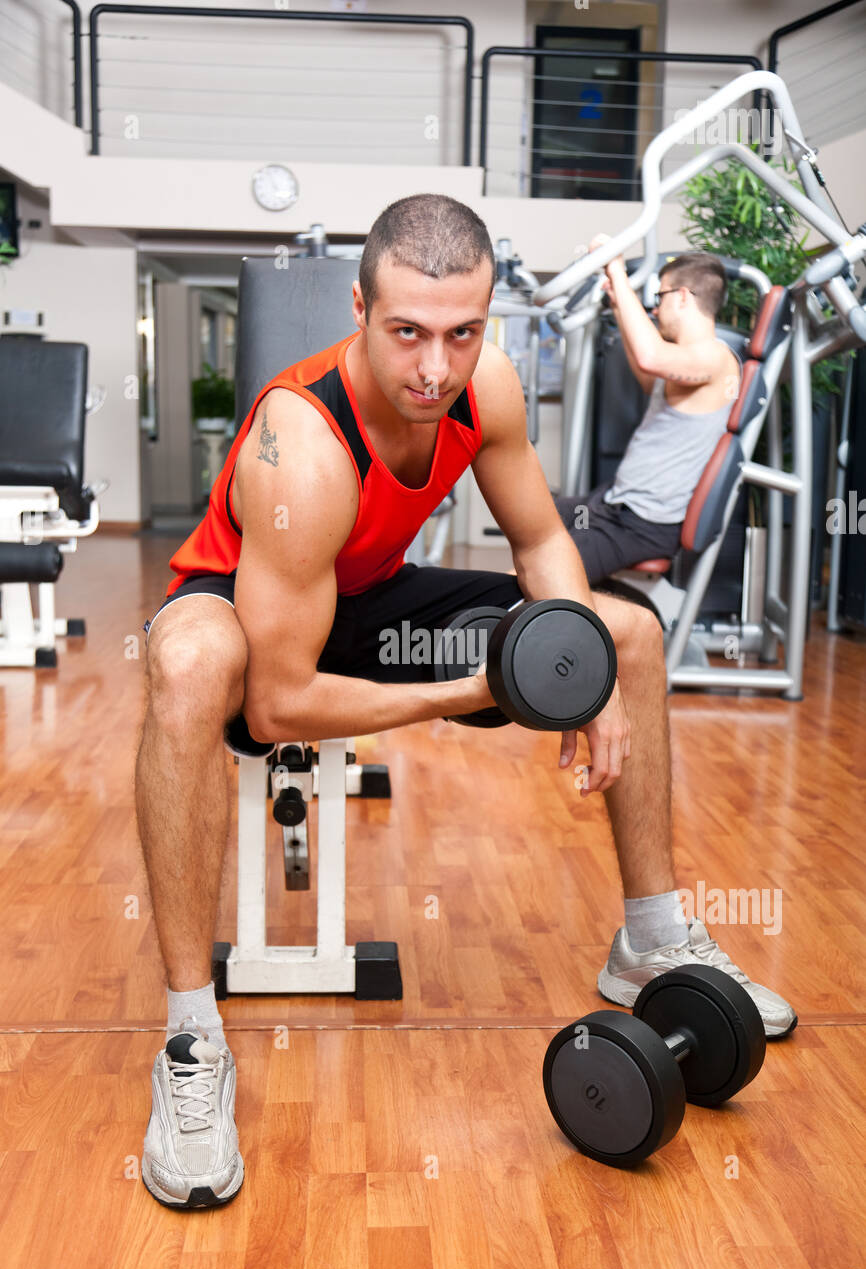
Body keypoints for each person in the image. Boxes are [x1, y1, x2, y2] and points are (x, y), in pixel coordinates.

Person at [135, 194, 794, 1210]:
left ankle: (650, 939)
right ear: (358, 308)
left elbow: (537, 540)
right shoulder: (301, 445)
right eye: (405, 333)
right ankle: (190, 1035)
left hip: (367, 600)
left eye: (460, 333)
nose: (432, 369)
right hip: (245, 610)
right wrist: (480, 688)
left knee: (629, 631)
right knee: (187, 666)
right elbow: (275, 704)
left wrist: (583, 661)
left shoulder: (480, 389)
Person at [555, 242, 741, 583]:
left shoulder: (715, 358)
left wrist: (617, 271)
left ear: (683, 297)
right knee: (529, 516)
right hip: (616, 505)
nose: (656, 309)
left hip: (643, 524)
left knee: (546, 573)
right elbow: (647, 377)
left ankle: (523, 621)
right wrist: (618, 301)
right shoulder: (682, 358)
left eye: (661, 296)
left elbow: (649, 358)